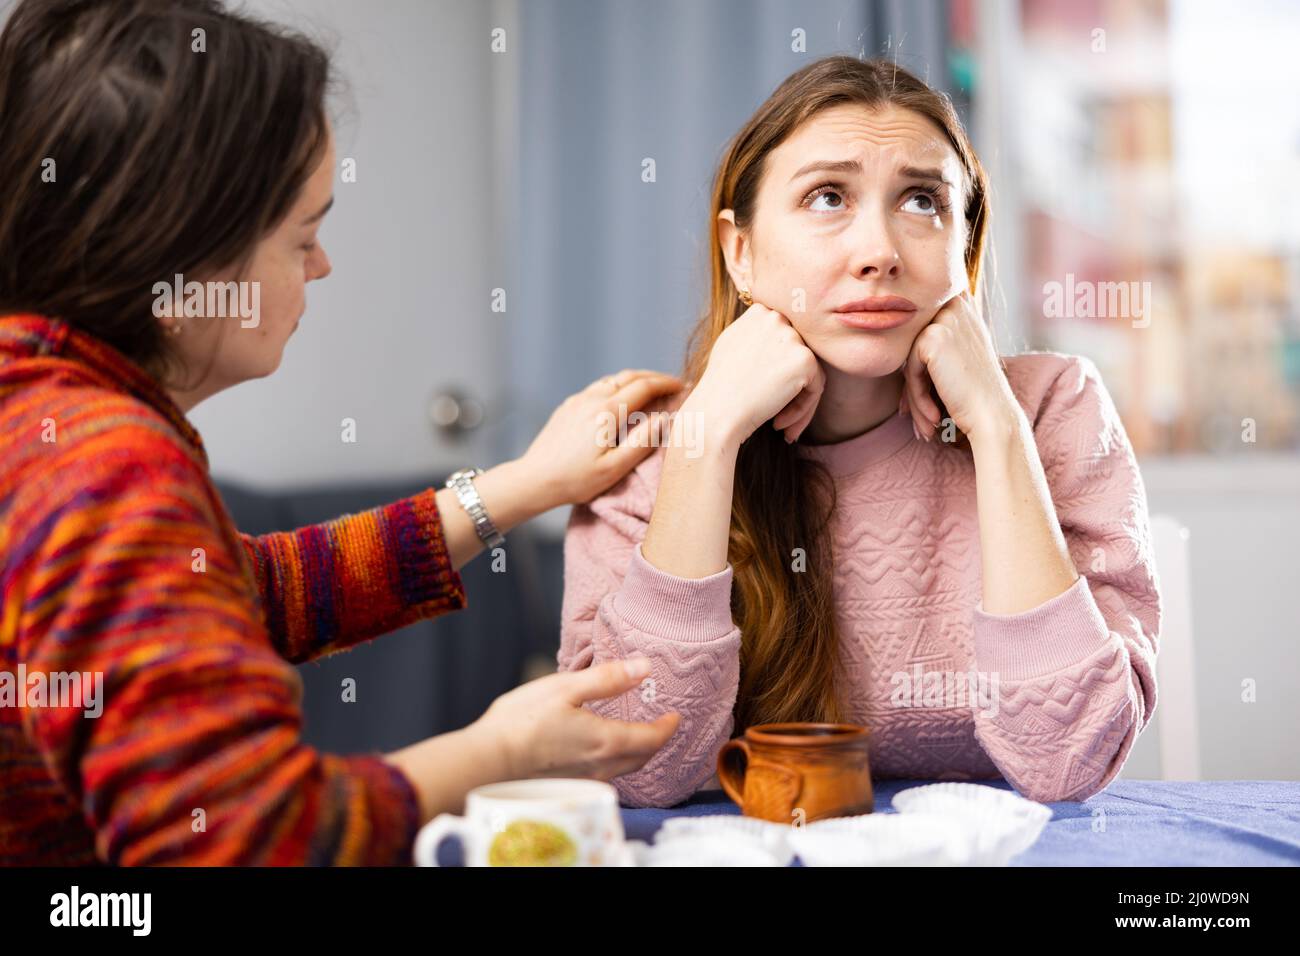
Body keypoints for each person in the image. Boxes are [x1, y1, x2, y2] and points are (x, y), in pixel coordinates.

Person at [0, 0, 679, 865]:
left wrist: (527, 483)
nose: (322, 266)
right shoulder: (99, 466)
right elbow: (247, 834)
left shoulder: (36, 418)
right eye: (303, 236)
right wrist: (503, 751)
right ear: (179, 256)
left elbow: (256, 589)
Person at [559, 55, 1162, 808]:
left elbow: (1068, 762)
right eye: (827, 197)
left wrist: (998, 431)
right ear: (740, 252)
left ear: (965, 249)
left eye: (922, 201)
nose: (879, 253)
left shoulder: (1053, 408)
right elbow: (636, 771)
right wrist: (704, 445)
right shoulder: (645, 451)